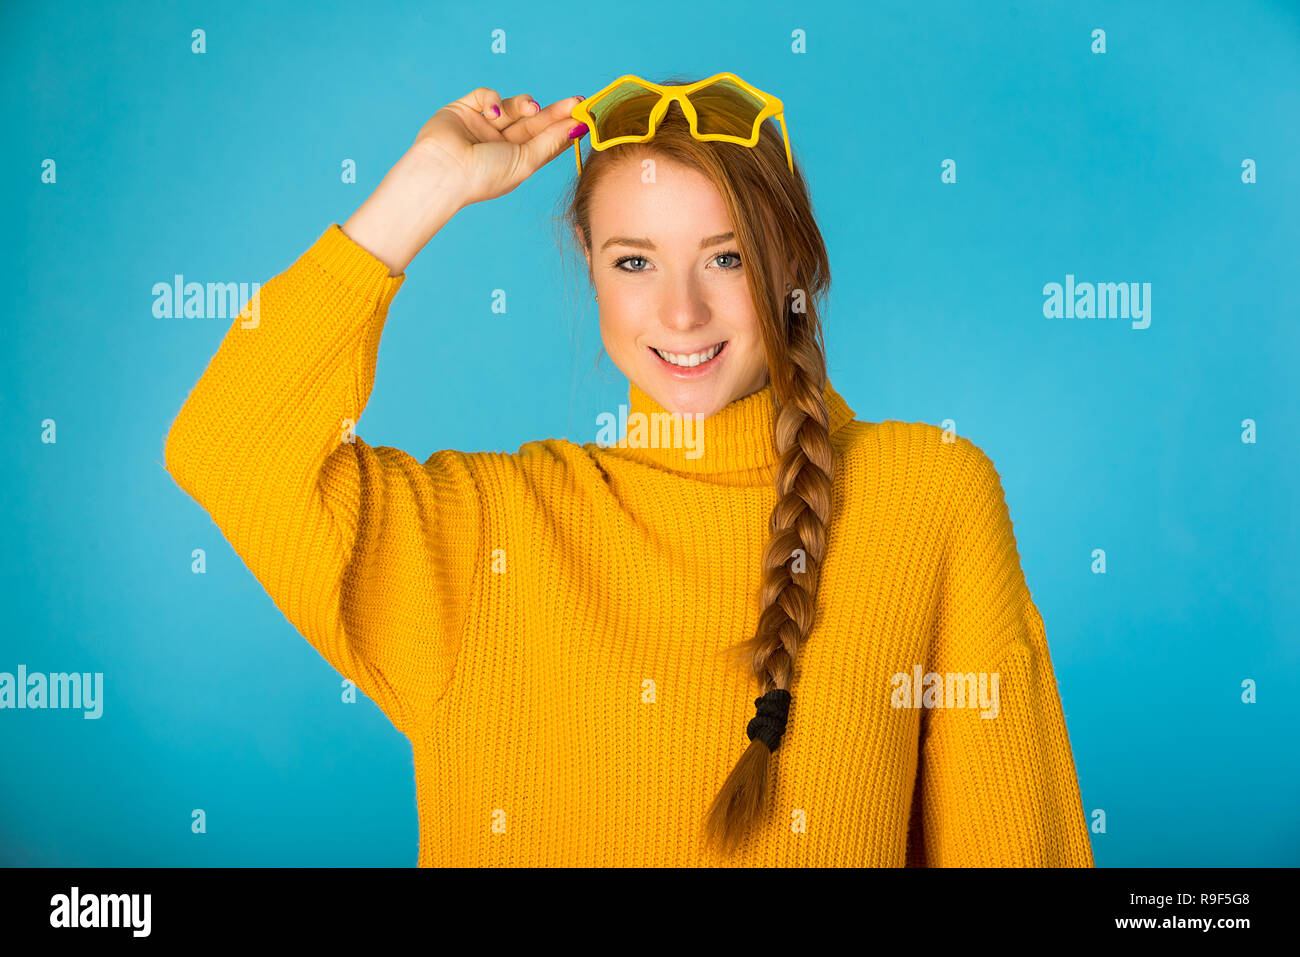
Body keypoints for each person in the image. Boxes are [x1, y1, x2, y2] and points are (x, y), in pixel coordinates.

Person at [163, 73, 1094, 867]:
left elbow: (1019, 844)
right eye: (636, 260)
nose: (681, 312)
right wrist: (429, 184)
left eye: (725, 257)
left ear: (791, 264)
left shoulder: (927, 494)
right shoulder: (484, 530)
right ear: (590, 266)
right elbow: (228, 446)